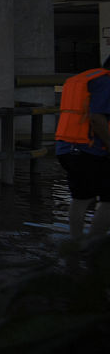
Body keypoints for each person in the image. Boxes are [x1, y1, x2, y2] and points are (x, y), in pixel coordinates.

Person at [55, 55, 110, 240]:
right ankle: (95, 245)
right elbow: (97, 119)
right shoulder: (105, 82)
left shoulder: (83, 79)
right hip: (90, 150)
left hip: (66, 148)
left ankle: (75, 244)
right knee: (107, 200)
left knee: (81, 198)